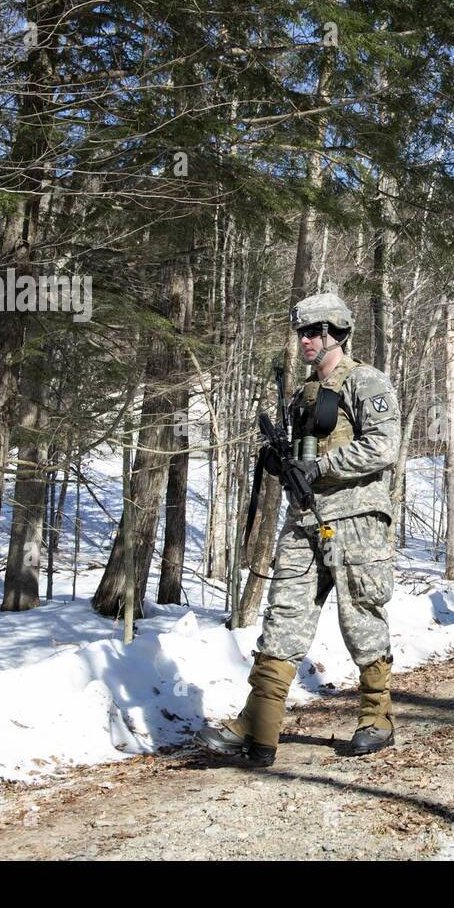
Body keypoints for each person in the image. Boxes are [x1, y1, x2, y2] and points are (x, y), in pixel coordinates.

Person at [195, 292, 401, 765]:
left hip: (356, 519)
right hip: (304, 520)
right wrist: (279, 461)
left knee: (362, 618)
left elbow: (383, 447)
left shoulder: (366, 382)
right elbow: (299, 457)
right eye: (301, 333)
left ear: (336, 333)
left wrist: (321, 466)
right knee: (283, 618)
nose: (306, 340)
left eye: (314, 332)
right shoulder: (304, 391)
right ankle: (258, 728)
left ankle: (377, 717)